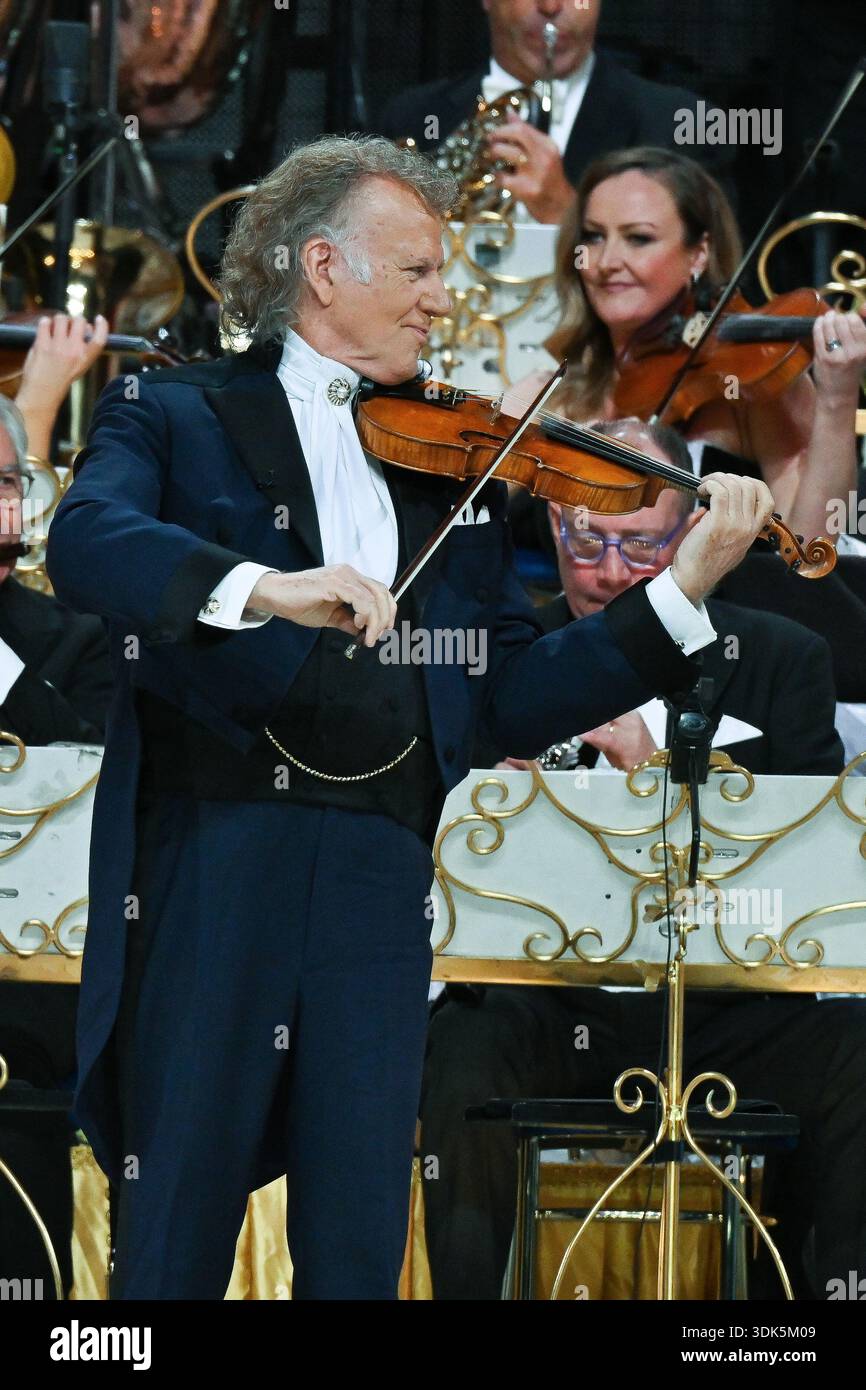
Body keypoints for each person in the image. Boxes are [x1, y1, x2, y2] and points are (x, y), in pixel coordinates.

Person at [45, 134, 774, 1301]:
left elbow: (510, 690)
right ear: (323, 267)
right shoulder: (172, 412)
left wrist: (681, 591)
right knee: (172, 1222)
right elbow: (86, 541)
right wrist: (263, 590)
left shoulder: (459, 469)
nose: (446, 301)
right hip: (215, 857)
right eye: (420, 271)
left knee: (359, 1234)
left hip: (380, 878)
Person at [420, 418, 863, 1303]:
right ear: (552, 527)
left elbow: (810, 862)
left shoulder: (782, 658)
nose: (612, 570)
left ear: (694, 535)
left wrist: (657, 763)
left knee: (858, 1057)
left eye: (642, 543)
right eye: (588, 539)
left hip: (723, 999)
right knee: (456, 1051)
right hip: (551, 996)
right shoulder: (500, 659)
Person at [506, 145, 866, 548]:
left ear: (698, 253)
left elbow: (814, 547)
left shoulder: (751, 381)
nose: (606, 260)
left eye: (638, 238)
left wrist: (838, 398)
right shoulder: (554, 391)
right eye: (593, 236)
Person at [376, 0, 729, 225]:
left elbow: (709, 280)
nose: (550, 5)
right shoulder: (411, 117)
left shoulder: (679, 122)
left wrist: (568, 214)